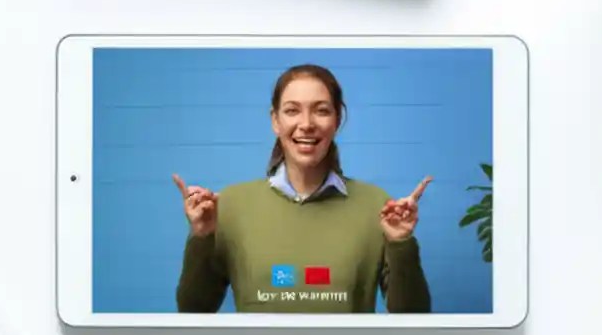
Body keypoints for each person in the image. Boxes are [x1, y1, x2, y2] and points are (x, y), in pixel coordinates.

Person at [172, 63, 432, 313]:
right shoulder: (229, 205)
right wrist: (202, 237)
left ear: (337, 119)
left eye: (321, 110)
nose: (306, 123)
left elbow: (413, 315)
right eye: (292, 110)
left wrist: (401, 243)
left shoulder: (377, 205)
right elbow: (194, 309)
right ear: (275, 121)